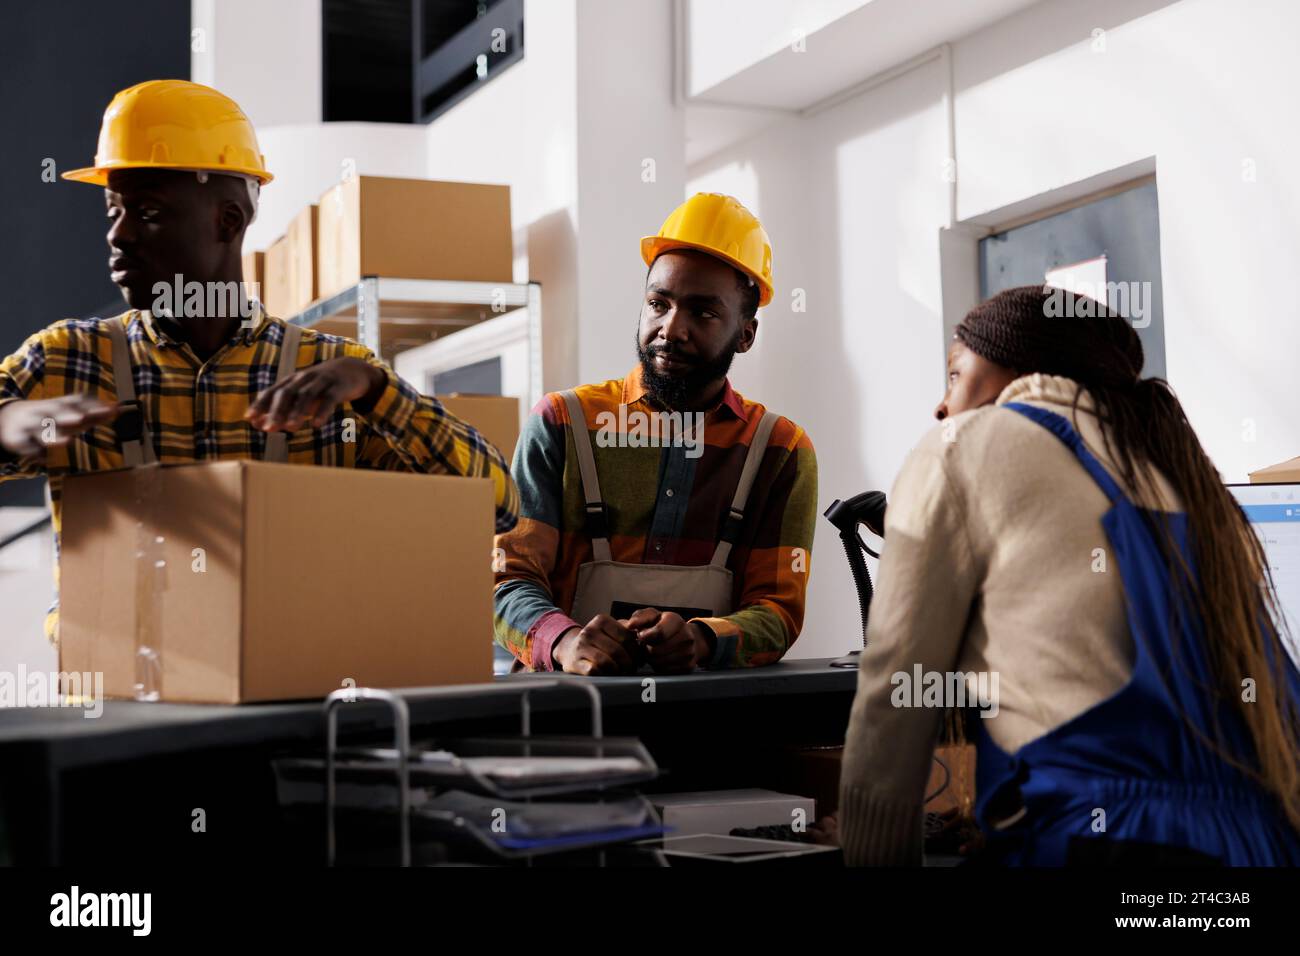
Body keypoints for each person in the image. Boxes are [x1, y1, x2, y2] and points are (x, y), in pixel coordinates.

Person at [0, 80, 518, 645]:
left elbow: (494, 504)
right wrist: (7, 426)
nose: (117, 235)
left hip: (285, 709)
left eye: (147, 212)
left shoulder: (330, 375)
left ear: (229, 220)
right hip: (116, 716)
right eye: (114, 210)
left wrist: (375, 389)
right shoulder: (69, 361)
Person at [839, 284, 1300, 865]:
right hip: (1263, 840)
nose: (940, 404)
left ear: (1017, 366)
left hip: (1107, 845)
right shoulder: (1178, 471)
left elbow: (894, 696)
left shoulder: (964, 444)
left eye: (954, 373)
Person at [493, 193, 817, 674]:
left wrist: (704, 639)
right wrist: (563, 642)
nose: (671, 328)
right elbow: (506, 580)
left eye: (703, 313)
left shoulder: (780, 451)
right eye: (657, 303)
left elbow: (778, 611)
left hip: (709, 726)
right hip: (565, 723)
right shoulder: (562, 423)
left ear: (746, 334)